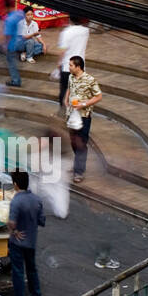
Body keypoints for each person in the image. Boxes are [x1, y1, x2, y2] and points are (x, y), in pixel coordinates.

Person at [7, 170, 45, 296]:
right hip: (31, 241)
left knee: (18, 272)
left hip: (17, 243)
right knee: (32, 269)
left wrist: (14, 231)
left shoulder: (16, 201)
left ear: (15, 185)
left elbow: (12, 222)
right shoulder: (37, 200)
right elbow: (42, 221)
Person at [66, 55, 103, 183]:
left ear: (78, 66)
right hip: (71, 115)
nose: (69, 67)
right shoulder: (71, 77)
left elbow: (98, 96)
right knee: (73, 141)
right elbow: (69, 89)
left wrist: (84, 104)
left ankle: (79, 171)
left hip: (83, 116)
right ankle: (78, 165)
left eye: (71, 65)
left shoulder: (90, 80)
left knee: (81, 143)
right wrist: (66, 100)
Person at [57, 16, 91, 108]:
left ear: (70, 19)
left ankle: (64, 110)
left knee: (64, 90)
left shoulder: (66, 32)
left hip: (67, 66)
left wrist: (59, 63)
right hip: (80, 66)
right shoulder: (85, 31)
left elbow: (62, 51)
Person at [0, 0, 25, 87]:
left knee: (11, 62)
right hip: (21, 41)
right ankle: (16, 78)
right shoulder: (20, 13)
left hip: (13, 44)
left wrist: (5, 45)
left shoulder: (9, 19)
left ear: (7, 7)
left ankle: (16, 81)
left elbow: (8, 35)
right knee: (14, 61)